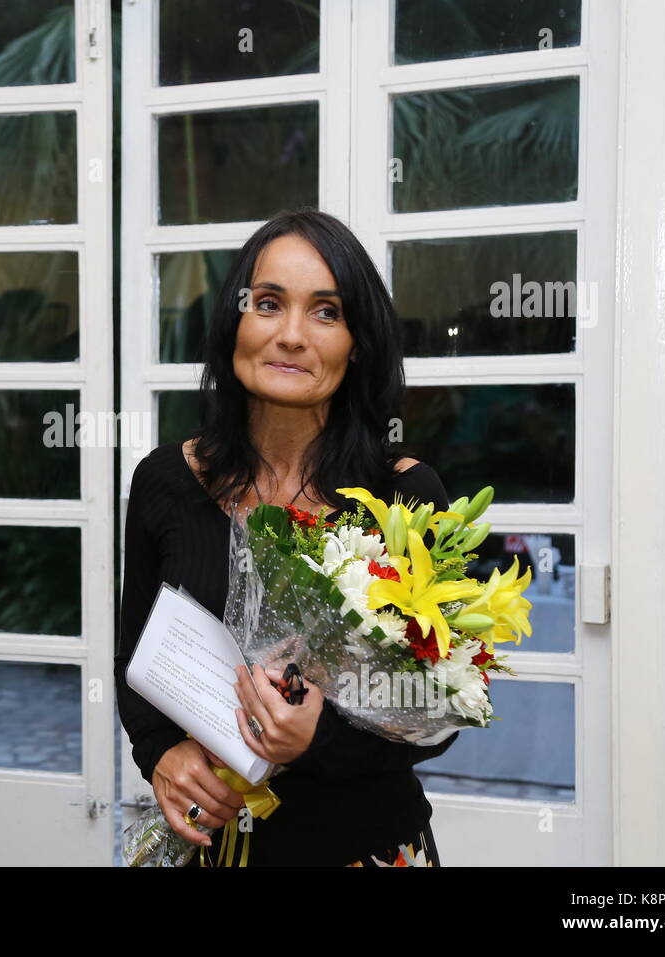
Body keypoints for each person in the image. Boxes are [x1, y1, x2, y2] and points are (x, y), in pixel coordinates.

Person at [116, 207, 459, 867]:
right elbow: (135, 659)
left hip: (366, 847)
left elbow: (441, 702)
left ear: (358, 342)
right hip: (210, 846)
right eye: (268, 303)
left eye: (327, 312)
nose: (292, 335)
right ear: (234, 322)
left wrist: (319, 737)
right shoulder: (165, 481)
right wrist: (160, 751)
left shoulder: (405, 497)